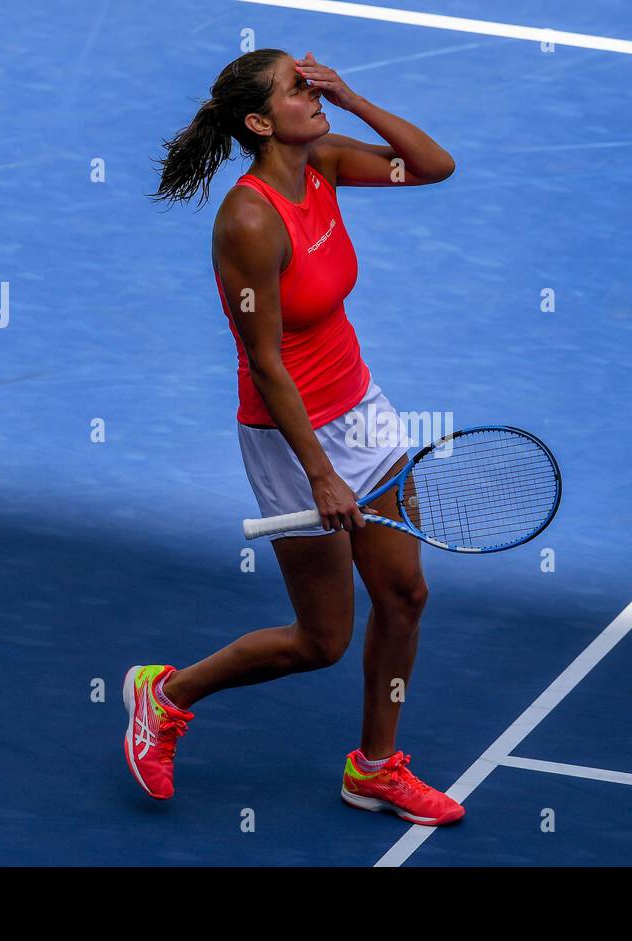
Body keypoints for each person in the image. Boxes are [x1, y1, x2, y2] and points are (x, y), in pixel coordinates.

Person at [124, 49, 463, 826]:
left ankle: (374, 768)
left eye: (314, 85)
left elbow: (434, 166)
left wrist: (352, 97)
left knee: (405, 595)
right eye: (297, 90)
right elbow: (265, 361)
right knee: (322, 640)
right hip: (291, 437)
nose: (313, 95)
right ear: (258, 121)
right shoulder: (248, 220)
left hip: (363, 411)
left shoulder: (326, 164)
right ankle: (166, 694)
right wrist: (320, 473)